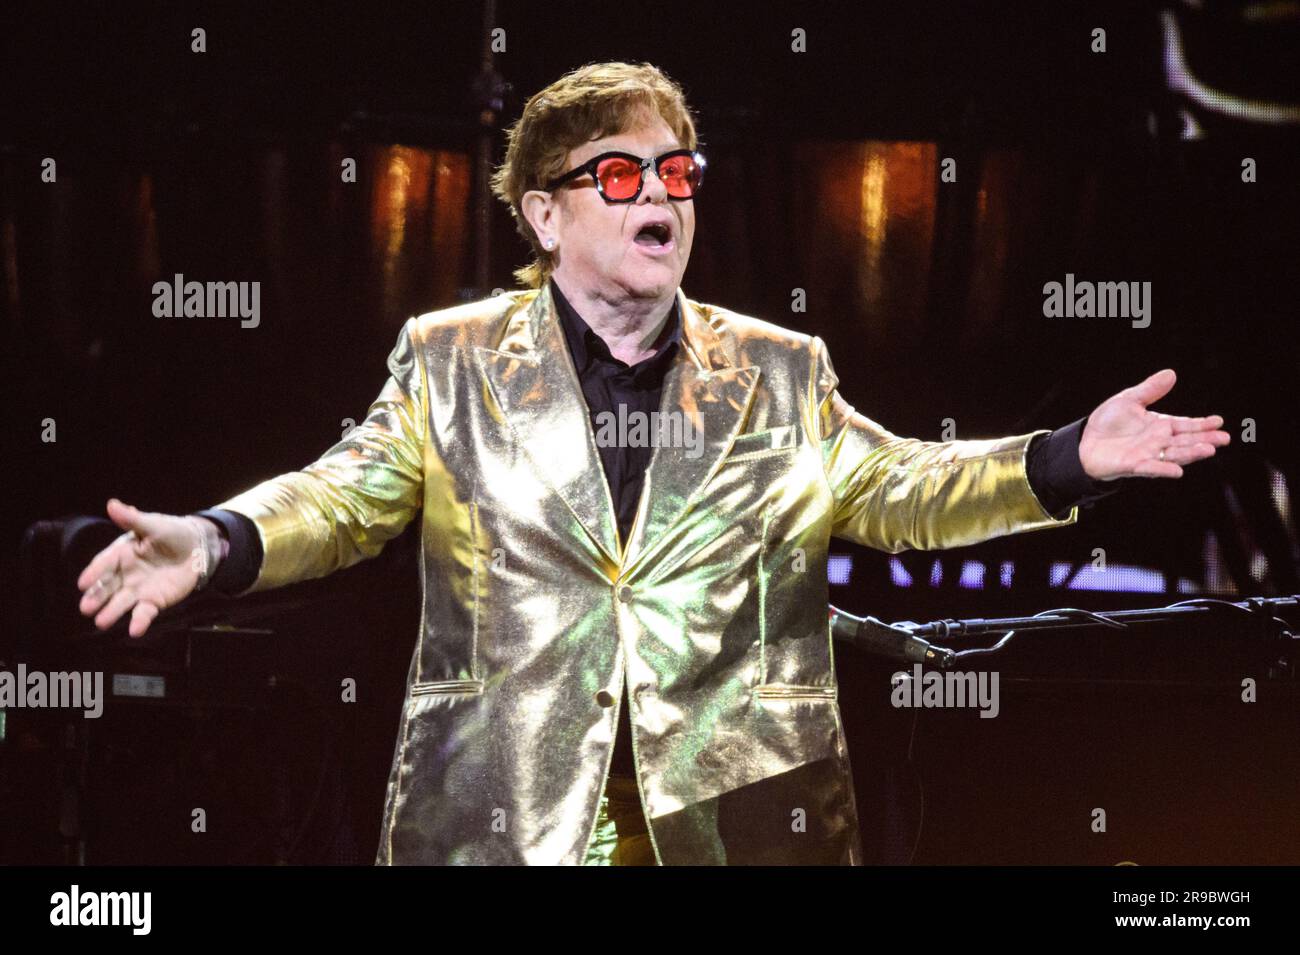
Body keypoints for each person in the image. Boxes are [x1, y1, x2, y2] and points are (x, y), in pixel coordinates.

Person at [77, 61, 1230, 865]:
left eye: (675, 172)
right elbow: (343, 496)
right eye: (618, 174)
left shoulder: (779, 370)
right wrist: (220, 540)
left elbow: (896, 491)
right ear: (544, 214)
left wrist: (1069, 457)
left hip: (736, 814)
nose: (659, 196)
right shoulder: (450, 360)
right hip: (509, 820)